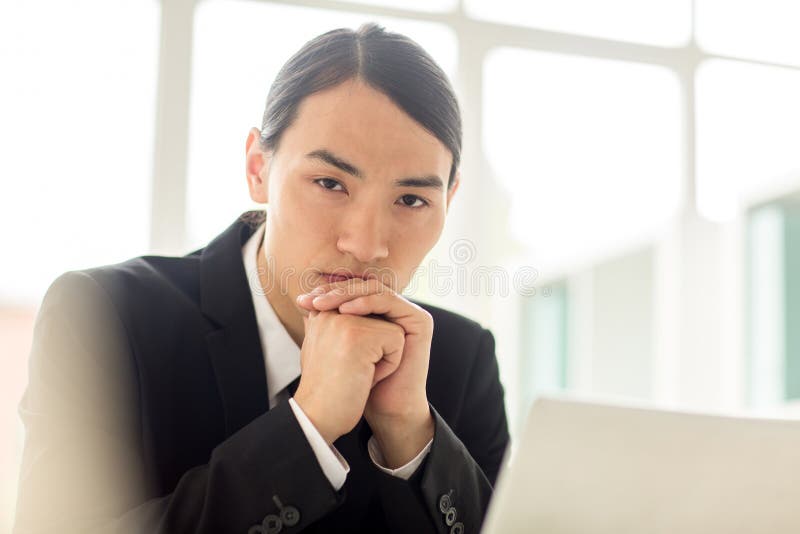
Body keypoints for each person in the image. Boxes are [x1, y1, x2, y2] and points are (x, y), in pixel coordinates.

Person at [14, 23, 509, 534]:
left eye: (410, 200)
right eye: (329, 183)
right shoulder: (103, 316)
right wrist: (307, 427)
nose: (365, 245)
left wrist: (410, 433)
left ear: (448, 200)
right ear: (258, 169)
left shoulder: (460, 359)